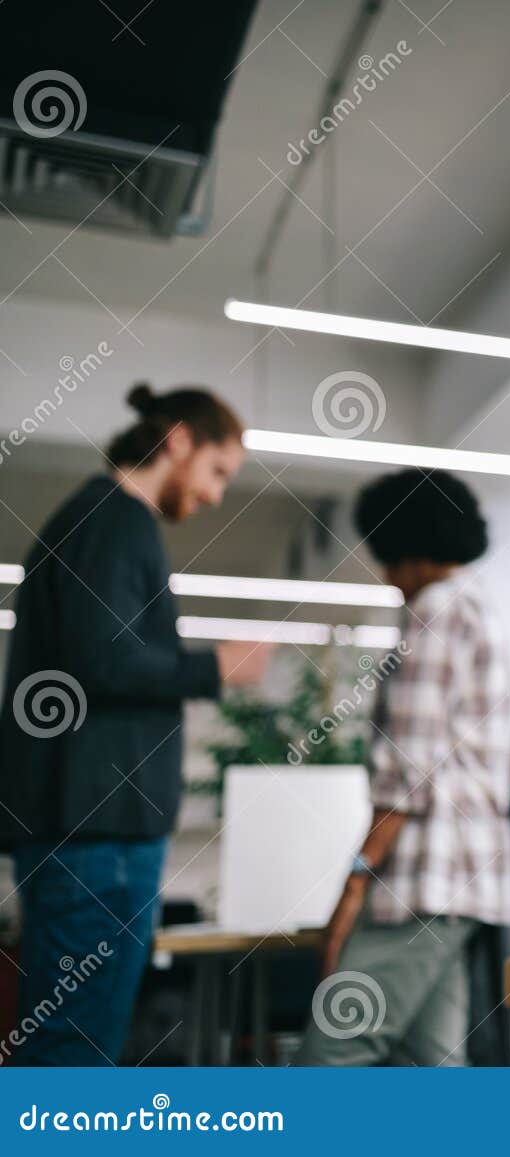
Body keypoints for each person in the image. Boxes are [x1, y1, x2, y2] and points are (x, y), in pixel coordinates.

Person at [0, 383, 271, 1064]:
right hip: (99, 836)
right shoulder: (116, 520)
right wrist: (216, 668)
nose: (213, 495)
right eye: (216, 471)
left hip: (87, 833)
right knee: (78, 1046)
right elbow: (107, 659)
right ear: (178, 440)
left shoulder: (92, 521)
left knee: (72, 1040)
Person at [299, 468, 510, 1067]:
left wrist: (353, 882)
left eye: (388, 558)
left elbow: (407, 771)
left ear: (412, 550)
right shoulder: (479, 609)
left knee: (333, 1053)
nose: (387, 576)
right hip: (467, 879)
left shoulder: (436, 614)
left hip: (425, 878)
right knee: (431, 1064)